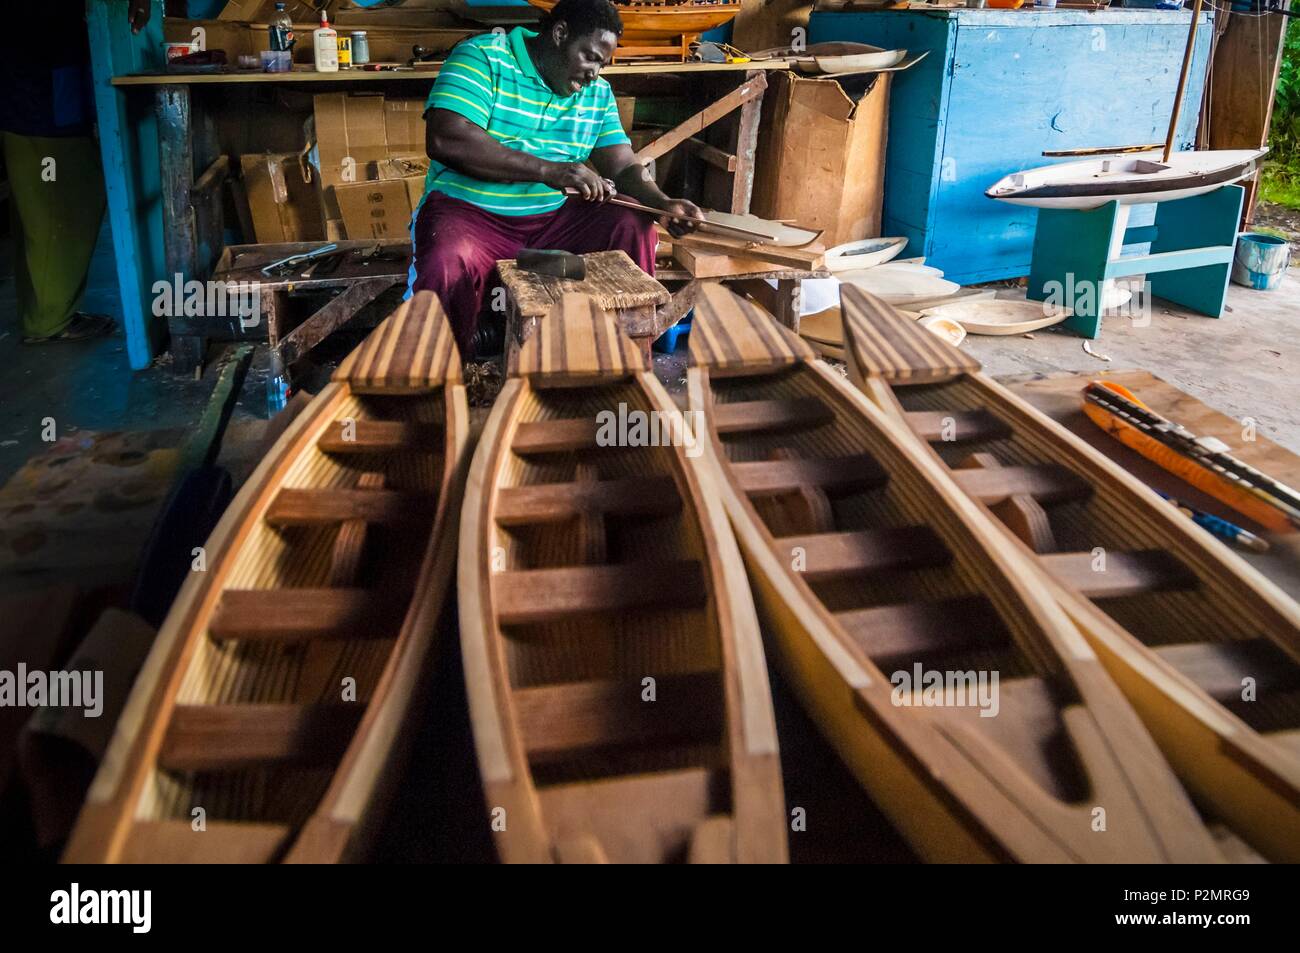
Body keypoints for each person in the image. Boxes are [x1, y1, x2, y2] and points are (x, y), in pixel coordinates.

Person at [411, 0, 703, 357]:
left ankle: (618, 362)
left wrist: (661, 203)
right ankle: (445, 377)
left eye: (602, 64)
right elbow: (446, 137)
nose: (595, 73)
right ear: (560, 33)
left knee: (633, 224)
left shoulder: (597, 94)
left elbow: (623, 166)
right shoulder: (482, 57)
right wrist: (549, 170)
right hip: (470, 214)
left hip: (552, 221)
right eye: (590, 57)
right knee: (448, 258)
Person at [0, 0, 151, 344]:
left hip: (35, 93)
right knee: (62, 203)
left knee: (38, 209)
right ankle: (48, 320)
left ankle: (44, 311)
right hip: (41, 99)